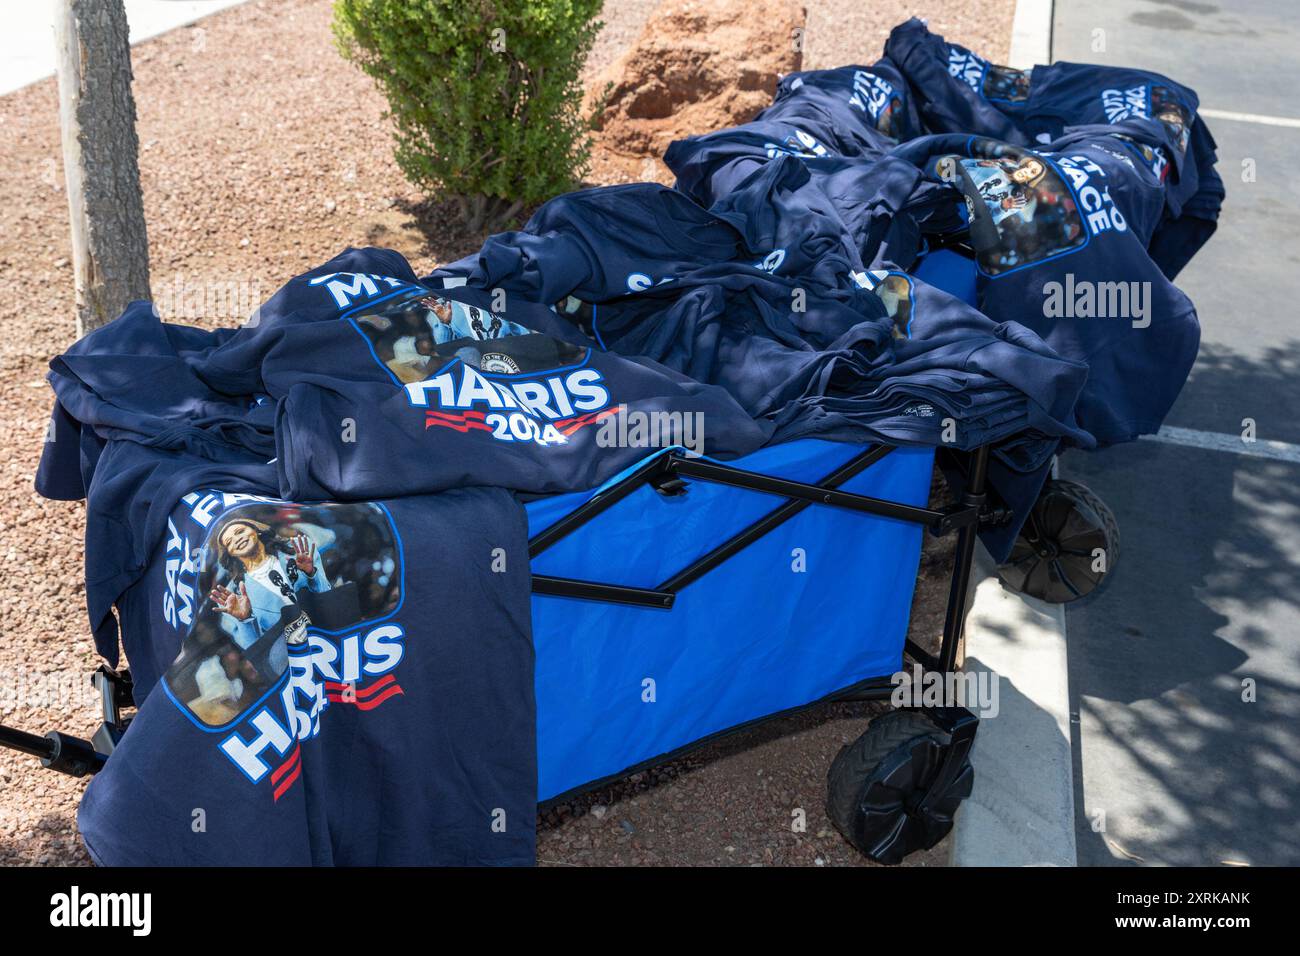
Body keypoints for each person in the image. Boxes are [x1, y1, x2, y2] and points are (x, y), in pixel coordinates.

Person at [208, 518, 331, 671]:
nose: (237, 539)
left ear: (257, 530)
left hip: (329, 636)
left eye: (240, 532)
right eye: (229, 542)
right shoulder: (231, 597)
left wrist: (311, 573)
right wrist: (244, 619)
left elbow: (327, 597)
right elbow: (257, 653)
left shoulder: (297, 550)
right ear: (230, 553)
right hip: (293, 665)